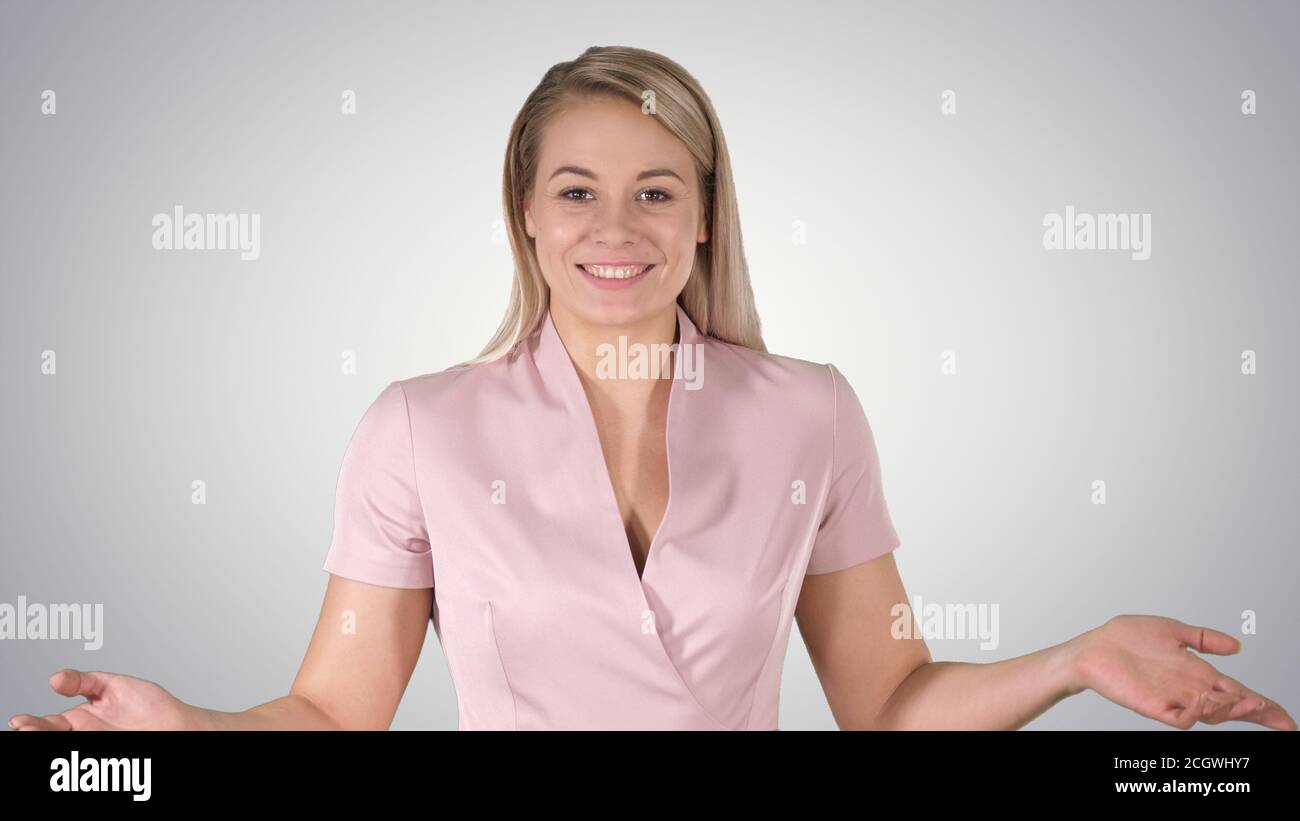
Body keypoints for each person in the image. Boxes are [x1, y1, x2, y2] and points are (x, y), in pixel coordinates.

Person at [8, 46, 1295, 731]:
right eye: (576, 190)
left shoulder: (810, 410)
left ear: (701, 215)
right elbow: (336, 711)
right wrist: (191, 732)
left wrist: (1069, 658)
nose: (612, 226)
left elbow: (892, 705)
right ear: (524, 215)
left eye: (655, 190)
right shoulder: (419, 426)